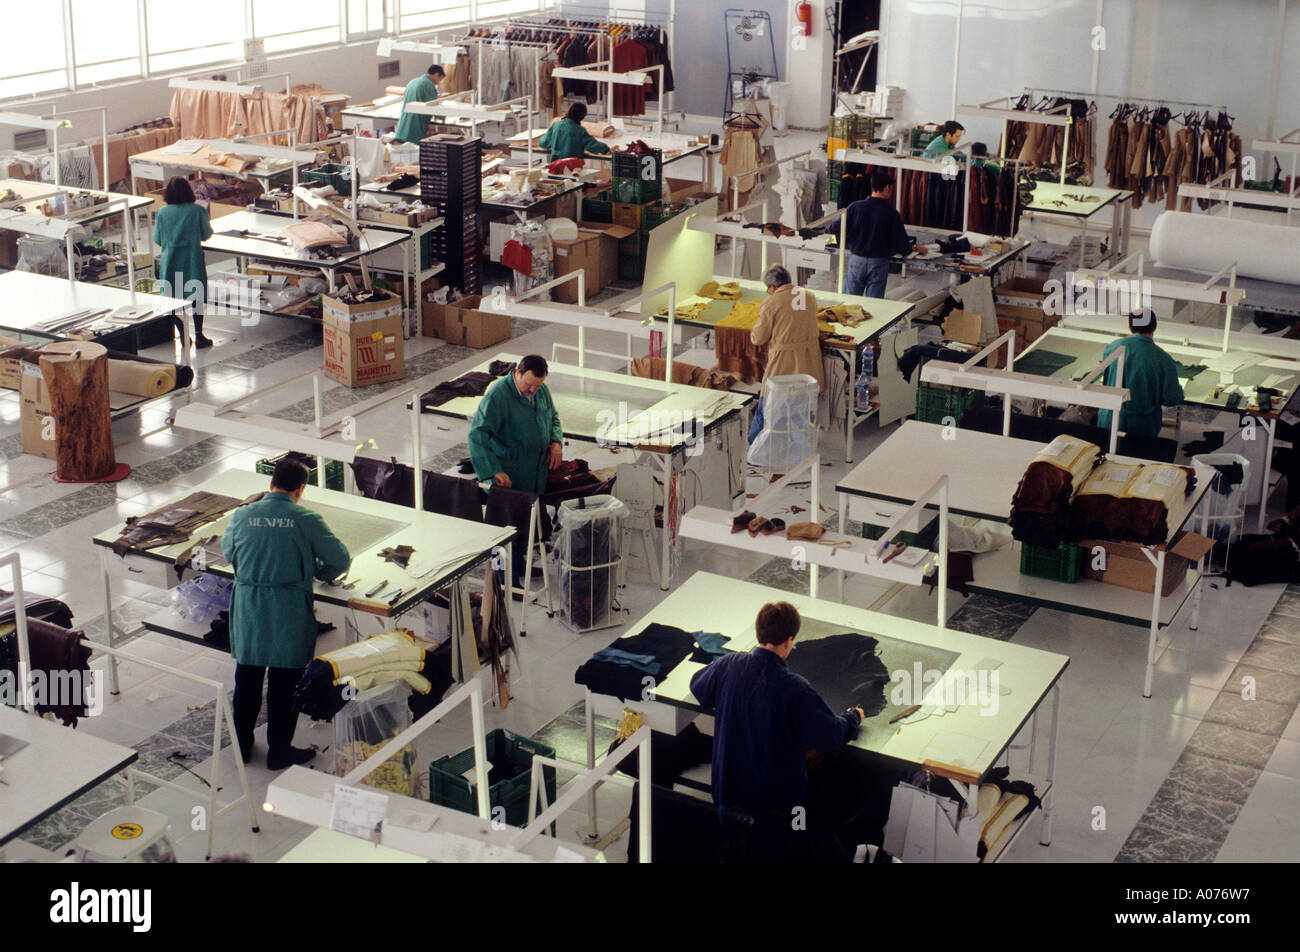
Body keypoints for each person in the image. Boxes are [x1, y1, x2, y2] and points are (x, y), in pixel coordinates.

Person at [689, 601, 865, 862]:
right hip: (773, 809)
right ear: (789, 641)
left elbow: (698, 687)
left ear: (759, 634)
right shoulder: (795, 687)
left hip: (727, 795)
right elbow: (831, 737)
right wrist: (853, 717)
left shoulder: (730, 665)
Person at [223, 458, 350, 770]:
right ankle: (279, 752)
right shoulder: (305, 518)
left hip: (250, 607)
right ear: (300, 489)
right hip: (287, 610)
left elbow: (228, 552)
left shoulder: (243, 515)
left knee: (247, 680)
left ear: (271, 484)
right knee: (284, 685)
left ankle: (241, 746)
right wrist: (318, 571)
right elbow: (340, 560)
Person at [467, 354, 564, 582]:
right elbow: (477, 434)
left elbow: (554, 418)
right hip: (508, 477)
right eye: (529, 384)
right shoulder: (498, 394)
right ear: (517, 373)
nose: (532, 390)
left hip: (534, 474)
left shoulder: (542, 391)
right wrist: (491, 471)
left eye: (537, 385)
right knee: (504, 531)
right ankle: (501, 579)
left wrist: (556, 442)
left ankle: (519, 569)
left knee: (525, 527)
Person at [748, 265, 824, 443]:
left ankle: (753, 449)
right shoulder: (809, 296)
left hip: (784, 363)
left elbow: (758, 338)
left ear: (773, 287)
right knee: (799, 409)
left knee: (766, 406)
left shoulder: (772, 302)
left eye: (768, 289)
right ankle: (797, 449)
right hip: (809, 361)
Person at [1097, 307, 1185, 438]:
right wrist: (1180, 392)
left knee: (1106, 455)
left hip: (1108, 419)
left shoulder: (1112, 347)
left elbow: (1106, 382)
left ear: (1130, 327)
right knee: (1136, 456)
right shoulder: (1164, 359)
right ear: (1154, 327)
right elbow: (1171, 399)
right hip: (1141, 427)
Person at [154, 176, 214, 348]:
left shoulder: (162, 213)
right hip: (192, 259)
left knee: (171, 299)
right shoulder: (197, 211)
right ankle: (199, 335)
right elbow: (206, 234)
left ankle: (182, 333)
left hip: (170, 261)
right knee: (197, 297)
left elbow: (158, 239)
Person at [844, 168, 912, 299]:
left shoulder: (854, 207)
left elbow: (835, 229)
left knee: (849, 303)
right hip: (879, 263)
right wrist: (912, 249)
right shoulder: (892, 213)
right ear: (887, 188)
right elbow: (903, 246)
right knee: (874, 305)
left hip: (856, 260)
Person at [537, 102, 612, 161]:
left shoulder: (556, 125)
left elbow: (543, 143)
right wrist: (606, 149)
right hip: (572, 167)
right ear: (581, 116)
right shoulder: (580, 130)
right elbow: (593, 146)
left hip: (556, 166)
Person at [394, 64, 445, 144]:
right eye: (439, 80)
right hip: (415, 126)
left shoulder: (413, 82)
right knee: (413, 152)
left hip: (403, 126)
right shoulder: (428, 84)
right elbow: (433, 106)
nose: (437, 83)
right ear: (436, 75)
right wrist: (443, 115)